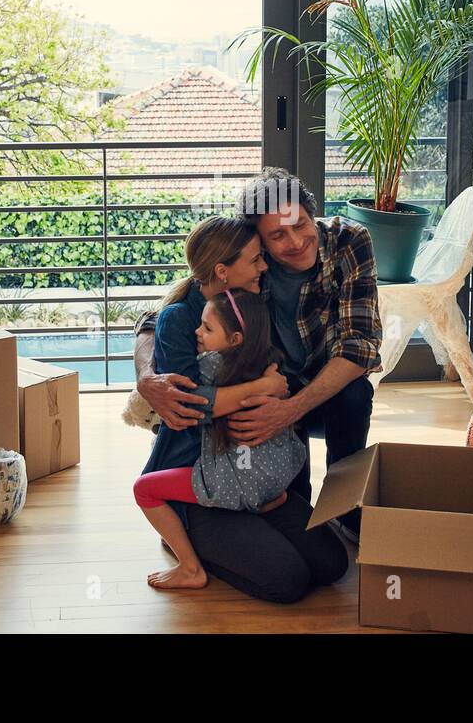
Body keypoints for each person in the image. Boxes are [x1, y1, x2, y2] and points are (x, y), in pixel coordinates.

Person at [136, 167, 381, 541]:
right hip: (266, 392)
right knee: (293, 516)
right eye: (278, 235)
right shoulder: (247, 266)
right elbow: (163, 316)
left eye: (301, 224)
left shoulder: (350, 242)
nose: (297, 241)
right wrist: (146, 377)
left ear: (311, 212)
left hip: (321, 390)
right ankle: (282, 507)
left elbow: (360, 344)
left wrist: (292, 408)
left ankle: (346, 509)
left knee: (356, 393)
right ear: (259, 243)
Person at [134, 213, 348, 603]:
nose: (264, 265)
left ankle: (252, 519)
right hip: (200, 481)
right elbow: (192, 405)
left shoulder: (249, 301)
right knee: (288, 581)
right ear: (222, 270)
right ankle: (189, 548)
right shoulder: (183, 319)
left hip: (253, 475)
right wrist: (263, 386)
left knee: (332, 565)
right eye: (255, 259)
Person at [133, 289, 307, 590]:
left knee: (144, 489)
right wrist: (265, 385)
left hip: (234, 480)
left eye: (207, 328)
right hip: (279, 476)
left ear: (235, 339)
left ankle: (189, 568)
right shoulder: (270, 362)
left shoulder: (207, 367)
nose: (197, 333)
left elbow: (189, 399)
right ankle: (261, 505)